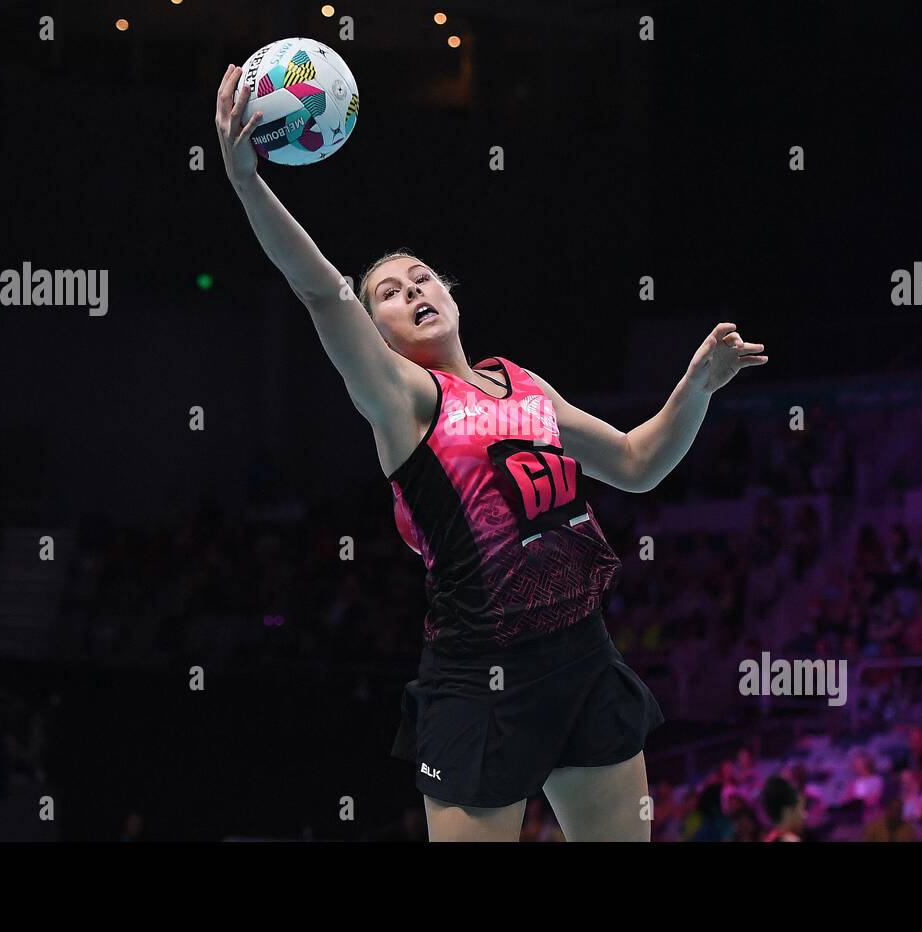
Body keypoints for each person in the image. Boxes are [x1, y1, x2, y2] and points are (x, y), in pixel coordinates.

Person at [214, 65, 768, 842]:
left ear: (452, 291)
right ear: (375, 336)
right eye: (389, 294)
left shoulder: (522, 384)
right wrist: (247, 184)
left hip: (582, 655)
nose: (412, 290)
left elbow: (638, 463)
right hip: (481, 680)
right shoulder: (401, 401)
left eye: (421, 277)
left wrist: (697, 387)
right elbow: (320, 291)